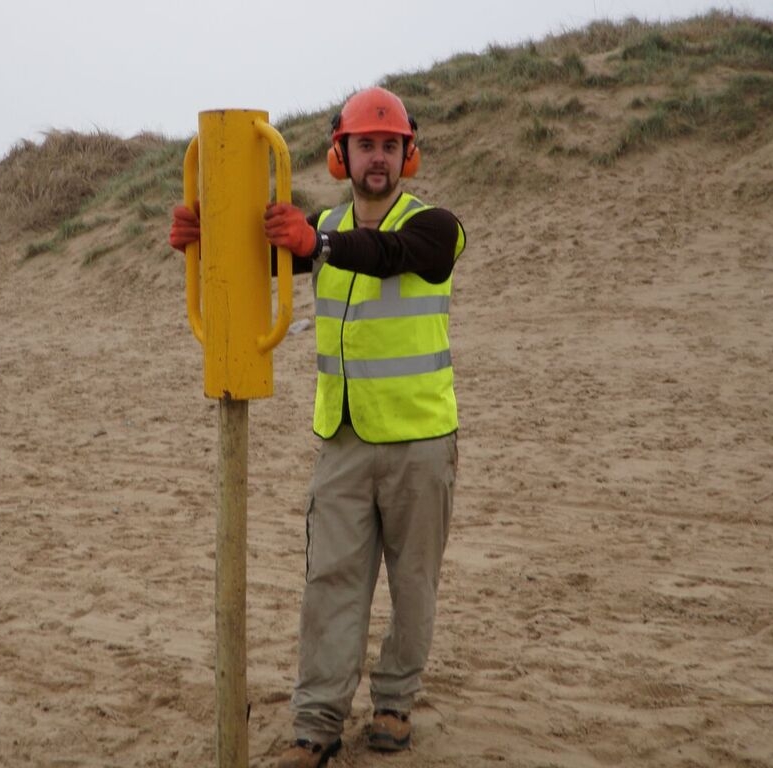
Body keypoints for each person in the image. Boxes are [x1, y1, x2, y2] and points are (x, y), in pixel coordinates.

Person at [169, 86, 466, 768]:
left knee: (413, 581)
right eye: (366, 145)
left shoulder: (436, 225)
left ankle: (394, 703)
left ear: (408, 155)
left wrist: (318, 241)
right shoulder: (325, 229)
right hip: (343, 439)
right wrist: (199, 238)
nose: (379, 159)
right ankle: (316, 726)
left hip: (421, 440)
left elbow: (388, 253)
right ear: (342, 154)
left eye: (391, 146)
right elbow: (257, 260)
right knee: (330, 581)